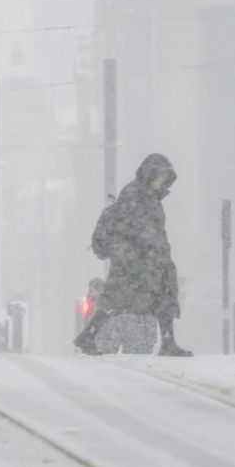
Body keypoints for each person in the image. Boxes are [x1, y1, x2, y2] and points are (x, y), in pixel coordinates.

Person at [74, 153, 192, 357]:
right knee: (125, 301)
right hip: (137, 262)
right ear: (149, 174)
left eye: (165, 178)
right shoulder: (137, 194)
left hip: (146, 260)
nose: (162, 181)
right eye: (159, 176)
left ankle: (167, 342)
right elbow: (138, 230)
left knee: (154, 299)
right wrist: (151, 252)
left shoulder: (147, 196)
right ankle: (89, 336)